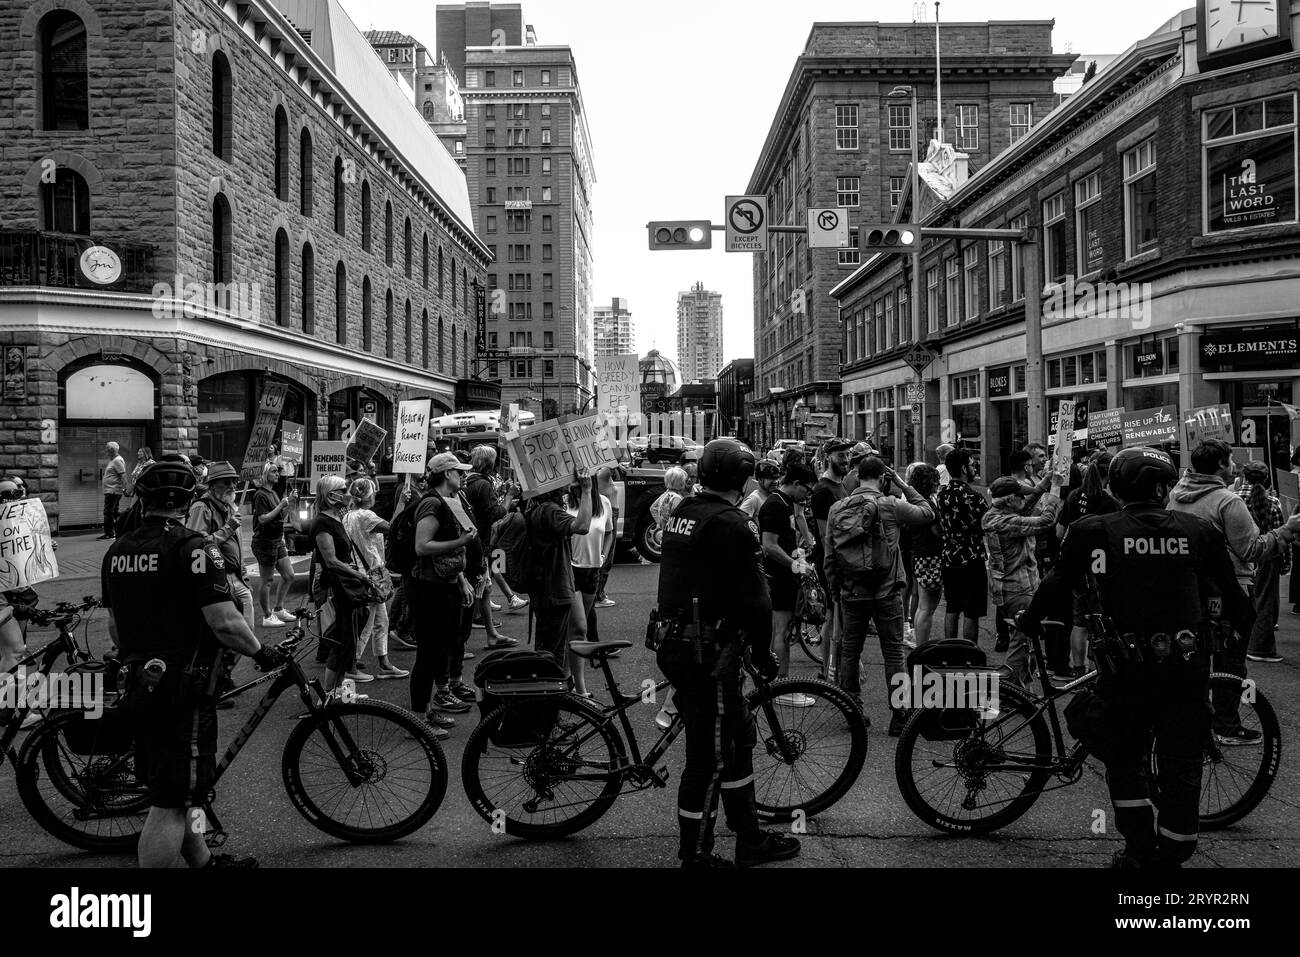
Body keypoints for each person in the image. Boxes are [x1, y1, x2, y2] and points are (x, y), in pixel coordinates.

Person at [1016, 447, 1255, 869]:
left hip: (1125, 673)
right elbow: (1238, 601)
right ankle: (1174, 852)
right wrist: (1233, 637)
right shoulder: (1198, 530)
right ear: (1163, 488)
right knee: (1181, 766)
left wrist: (1030, 621)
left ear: (1118, 488)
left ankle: (1139, 849)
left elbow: (1057, 582)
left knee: (1126, 760)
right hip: (1187, 670)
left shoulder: (1094, 529)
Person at [103, 457, 282, 868]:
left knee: (182, 793)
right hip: (185, 687)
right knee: (170, 803)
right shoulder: (195, 548)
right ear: (187, 500)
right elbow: (225, 621)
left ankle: (203, 861)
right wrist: (261, 652)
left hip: (140, 682)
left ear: (144, 499)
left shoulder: (118, 550)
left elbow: (115, 628)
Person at [654, 437, 800, 868]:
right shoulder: (735, 523)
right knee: (710, 756)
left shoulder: (684, 513)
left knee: (737, 740)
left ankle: (749, 836)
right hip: (709, 654)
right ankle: (695, 854)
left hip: (679, 641)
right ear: (742, 476)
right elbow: (757, 602)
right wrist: (763, 652)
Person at [1168, 439, 1300, 743]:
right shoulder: (1227, 502)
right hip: (1230, 590)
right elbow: (1251, 549)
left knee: (1195, 657)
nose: (1235, 466)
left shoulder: (1177, 493)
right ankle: (1226, 725)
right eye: (1230, 461)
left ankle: (1196, 718)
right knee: (1230, 660)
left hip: (1189, 589)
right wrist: (1286, 531)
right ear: (1220, 466)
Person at [825, 456, 935, 734]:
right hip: (887, 591)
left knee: (850, 650)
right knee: (894, 652)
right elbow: (927, 511)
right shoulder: (890, 505)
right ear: (883, 477)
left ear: (857, 476)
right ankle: (899, 716)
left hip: (852, 592)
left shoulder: (837, 508)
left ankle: (852, 709)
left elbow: (830, 557)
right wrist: (901, 483)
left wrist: (836, 591)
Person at [406, 453, 482, 733]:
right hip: (428, 590)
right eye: (458, 471)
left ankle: (427, 711)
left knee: (440, 651)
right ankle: (417, 720)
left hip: (445, 586)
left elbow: (451, 552)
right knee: (427, 656)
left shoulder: (450, 500)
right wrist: (460, 540)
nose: (462, 476)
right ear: (446, 474)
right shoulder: (431, 504)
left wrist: (461, 580)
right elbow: (422, 547)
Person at [982, 473, 1062, 687]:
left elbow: (1025, 507)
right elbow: (1045, 522)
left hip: (1009, 587)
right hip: (1018, 589)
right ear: (1009, 499)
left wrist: (1045, 481)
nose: (1023, 499)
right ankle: (1011, 690)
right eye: (1020, 495)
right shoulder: (1005, 521)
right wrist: (1055, 490)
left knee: (1026, 641)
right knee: (1021, 641)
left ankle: (1022, 689)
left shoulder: (996, 514)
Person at [309, 475, 373, 693]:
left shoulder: (337, 517)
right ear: (330, 495)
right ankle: (329, 695)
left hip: (347, 586)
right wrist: (360, 576)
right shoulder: (322, 523)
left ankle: (341, 693)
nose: (347, 492)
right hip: (335, 588)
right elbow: (331, 561)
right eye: (343, 489)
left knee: (348, 642)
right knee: (340, 642)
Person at [1056, 451, 1117, 677]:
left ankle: (1079, 671)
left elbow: (1059, 531)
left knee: (1079, 620)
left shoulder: (1073, 496)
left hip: (1076, 565)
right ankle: (1096, 670)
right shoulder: (1110, 502)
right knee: (1100, 619)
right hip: (1101, 568)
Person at [758, 461, 817, 686]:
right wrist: (795, 565)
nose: (807, 495)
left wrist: (797, 555)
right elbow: (769, 546)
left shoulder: (785, 503)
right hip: (778, 577)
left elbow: (781, 540)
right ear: (795, 483)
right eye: (807, 490)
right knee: (781, 632)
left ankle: (780, 682)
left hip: (784, 576)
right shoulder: (775, 505)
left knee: (785, 630)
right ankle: (780, 685)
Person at [344, 477, 408, 680]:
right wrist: (401, 505)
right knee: (369, 622)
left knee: (381, 621)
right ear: (369, 496)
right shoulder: (366, 516)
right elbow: (394, 527)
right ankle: (350, 666)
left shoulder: (348, 516)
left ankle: (384, 664)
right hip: (369, 576)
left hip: (363, 574)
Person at [526, 471, 593, 663]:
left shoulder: (537, 506)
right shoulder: (549, 510)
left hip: (545, 587)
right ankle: (551, 687)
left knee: (547, 646)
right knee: (552, 651)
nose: (567, 480)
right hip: (553, 588)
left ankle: (548, 685)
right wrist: (587, 490)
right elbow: (582, 526)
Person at [462, 445, 517, 648]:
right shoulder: (482, 485)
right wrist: (509, 496)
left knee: (484, 589)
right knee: (475, 590)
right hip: (478, 543)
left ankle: (491, 634)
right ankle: (461, 643)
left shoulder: (471, 481)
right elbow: (496, 513)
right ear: (488, 463)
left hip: (477, 542)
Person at [935, 448, 989, 643]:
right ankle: (969, 652)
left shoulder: (942, 495)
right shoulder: (974, 498)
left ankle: (949, 649)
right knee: (971, 611)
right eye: (973, 465)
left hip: (949, 557)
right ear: (964, 468)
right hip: (971, 557)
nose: (975, 469)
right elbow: (987, 525)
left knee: (952, 607)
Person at [1238, 462, 1288, 663]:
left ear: (1244, 476)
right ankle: (1260, 647)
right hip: (1266, 556)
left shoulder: (1232, 498)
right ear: (1266, 479)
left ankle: (1242, 641)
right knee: (1265, 602)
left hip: (1240, 554)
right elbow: (1282, 537)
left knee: (1242, 598)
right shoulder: (1273, 502)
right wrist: (1286, 563)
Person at [568, 479, 614, 697]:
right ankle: (580, 688)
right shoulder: (564, 503)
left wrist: (603, 556)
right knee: (580, 628)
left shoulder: (603, 502)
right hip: (570, 571)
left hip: (592, 571)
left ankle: (567, 677)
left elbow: (609, 533)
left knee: (577, 630)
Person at [809, 440, 851, 672]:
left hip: (842, 560)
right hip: (831, 563)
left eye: (847, 455)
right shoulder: (823, 490)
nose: (845, 460)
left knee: (838, 618)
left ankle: (834, 668)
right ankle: (826, 670)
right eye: (840, 456)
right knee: (832, 617)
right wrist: (835, 567)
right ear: (828, 458)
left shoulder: (840, 485)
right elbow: (826, 535)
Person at [251, 462, 298, 628]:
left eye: (278, 471)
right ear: (264, 475)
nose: (277, 473)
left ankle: (278, 609)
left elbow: (280, 516)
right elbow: (263, 519)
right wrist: (281, 505)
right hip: (265, 542)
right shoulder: (260, 495)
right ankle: (267, 615)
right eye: (273, 471)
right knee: (268, 580)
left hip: (277, 540)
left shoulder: (273, 493)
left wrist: (289, 502)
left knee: (289, 575)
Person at [904, 463, 944, 647]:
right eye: (935, 480)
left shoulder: (915, 501)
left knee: (923, 605)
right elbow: (937, 531)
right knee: (927, 607)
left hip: (919, 554)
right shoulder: (927, 504)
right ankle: (922, 646)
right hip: (930, 556)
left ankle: (920, 644)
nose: (938, 483)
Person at [594, 466, 619, 608]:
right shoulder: (604, 471)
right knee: (607, 555)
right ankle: (598, 595)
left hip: (610, 511)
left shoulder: (602, 471)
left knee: (606, 553)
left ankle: (598, 592)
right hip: (609, 512)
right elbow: (618, 456)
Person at [99, 441, 127, 540]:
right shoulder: (113, 460)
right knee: (113, 512)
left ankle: (109, 533)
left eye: (107, 448)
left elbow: (122, 475)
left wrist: (124, 488)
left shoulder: (117, 460)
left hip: (113, 491)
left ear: (111, 450)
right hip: (111, 490)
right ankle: (117, 530)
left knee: (108, 512)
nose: (106, 450)